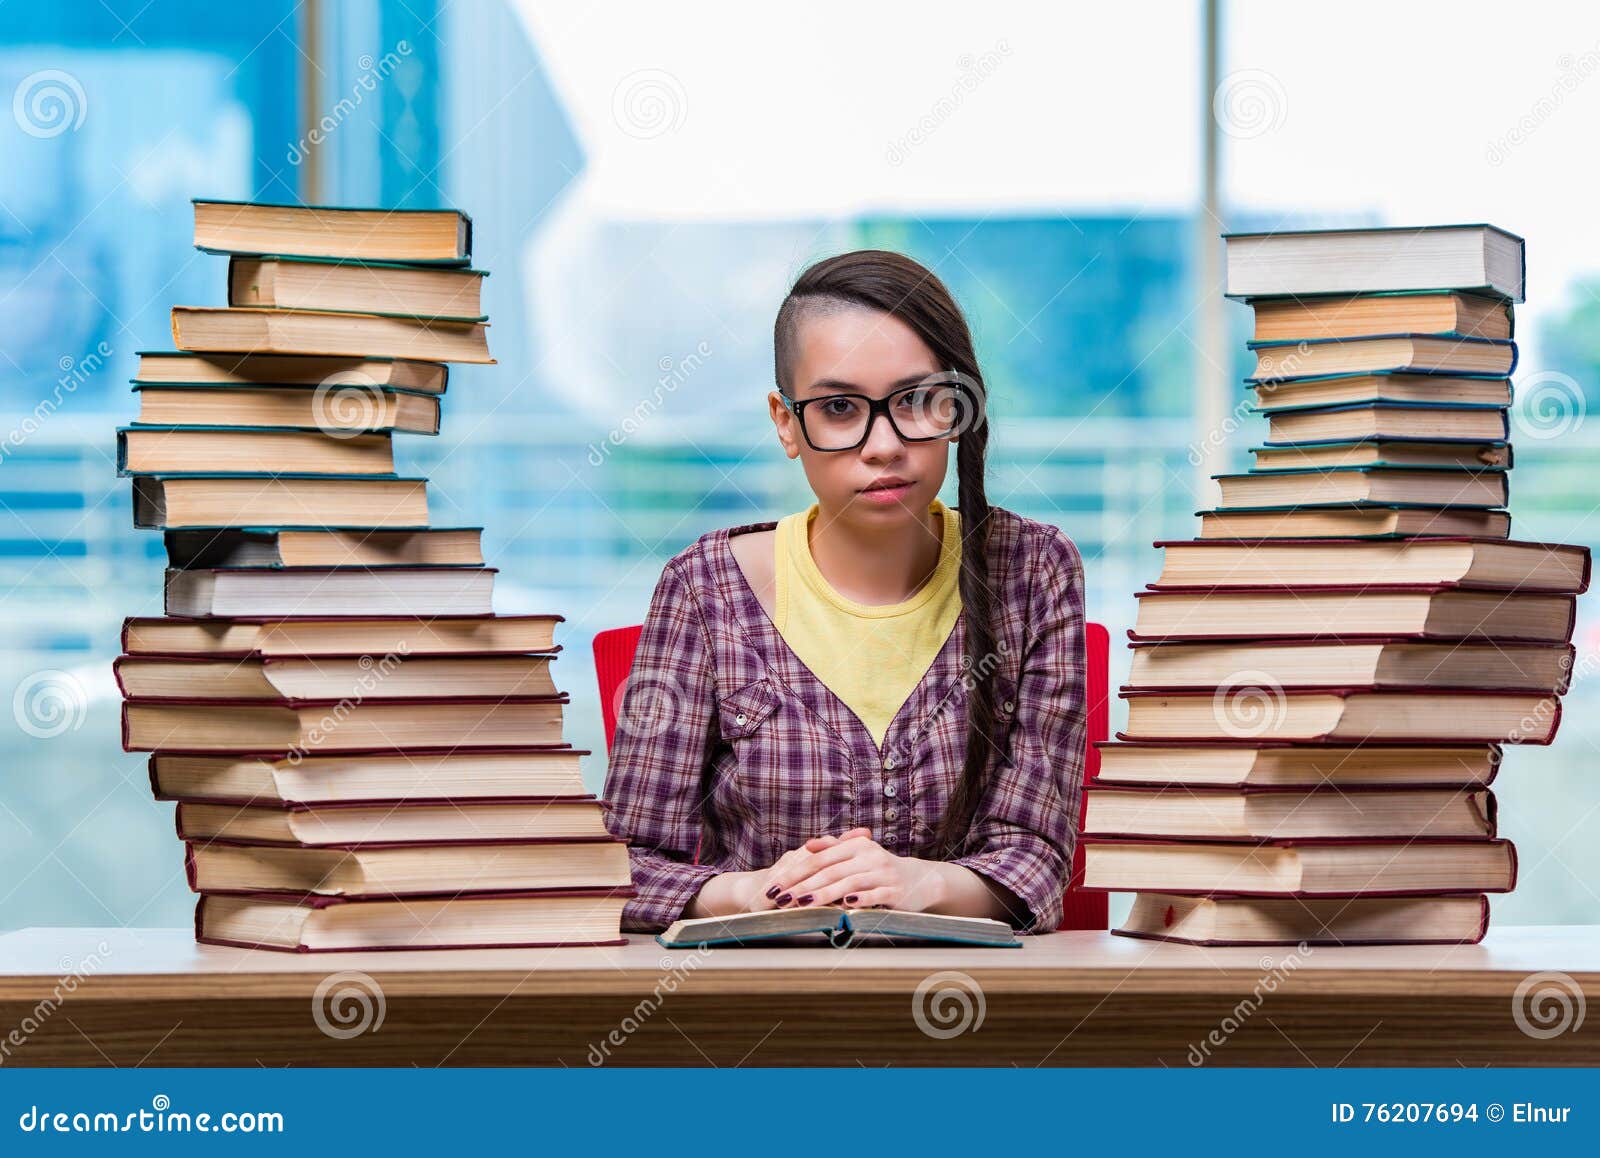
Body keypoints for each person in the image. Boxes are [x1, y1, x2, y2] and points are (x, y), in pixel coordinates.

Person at [601, 249, 1087, 933]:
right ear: (785, 423)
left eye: (917, 400)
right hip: (753, 985)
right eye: (838, 408)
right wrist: (753, 894)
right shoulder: (704, 590)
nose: (883, 445)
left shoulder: (1034, 571)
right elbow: (627, 865)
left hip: (976, 987)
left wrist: (922, 884)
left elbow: (1036, 858)